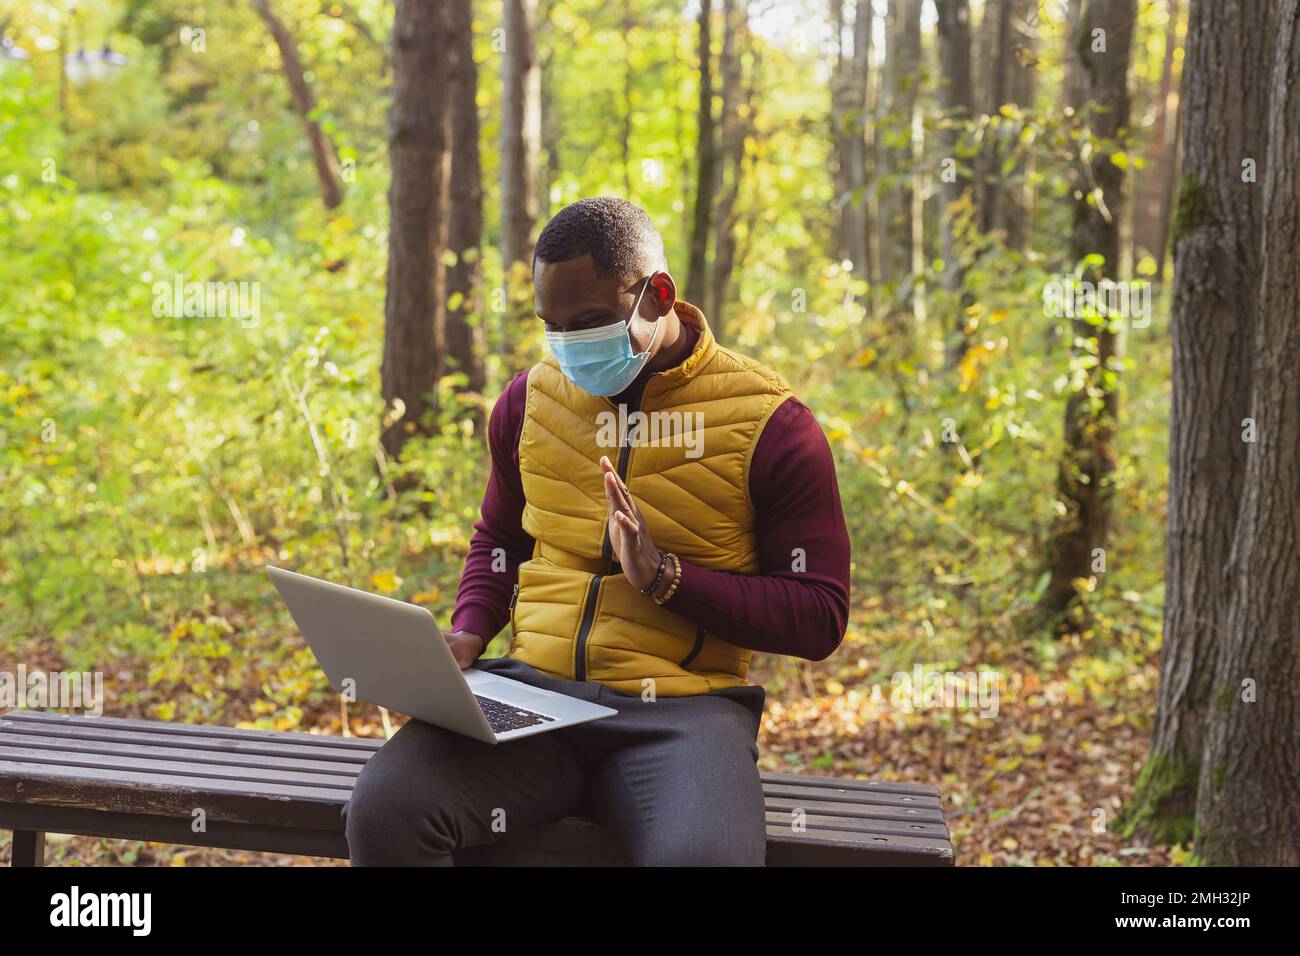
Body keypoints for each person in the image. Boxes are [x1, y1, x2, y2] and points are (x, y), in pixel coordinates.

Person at [343, 196, 851, 866]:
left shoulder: (772, 425)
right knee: (384, 813)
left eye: (587, 324)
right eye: (553, 328)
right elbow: (500, 537)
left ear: (659, 294)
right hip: (529, 700)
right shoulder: (529, 402)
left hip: (681, 719)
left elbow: (819, 617)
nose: (568, 349)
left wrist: (667, 579)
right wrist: (468, 630)